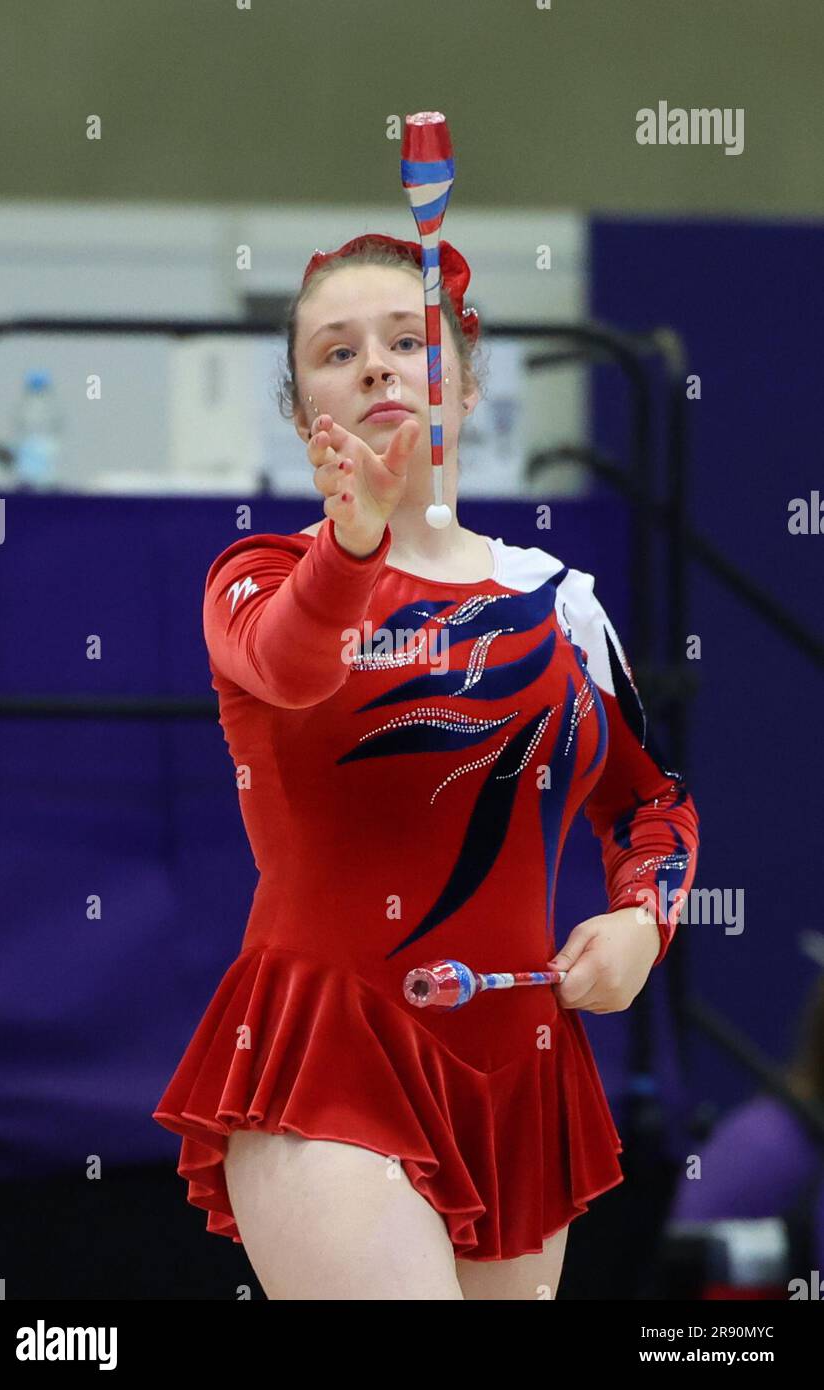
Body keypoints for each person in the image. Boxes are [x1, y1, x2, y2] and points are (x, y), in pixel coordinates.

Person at [153, 233, 700, 1300]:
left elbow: (652, 803)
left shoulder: (560, 602)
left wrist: (644, 921)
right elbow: (296, 665)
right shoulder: (257, 582)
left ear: (469, 377)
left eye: (408, 341)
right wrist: (350, 555)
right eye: (335, 350)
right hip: (328, 1055)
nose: (375, 365)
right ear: (300, 402)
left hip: (517, 1061)